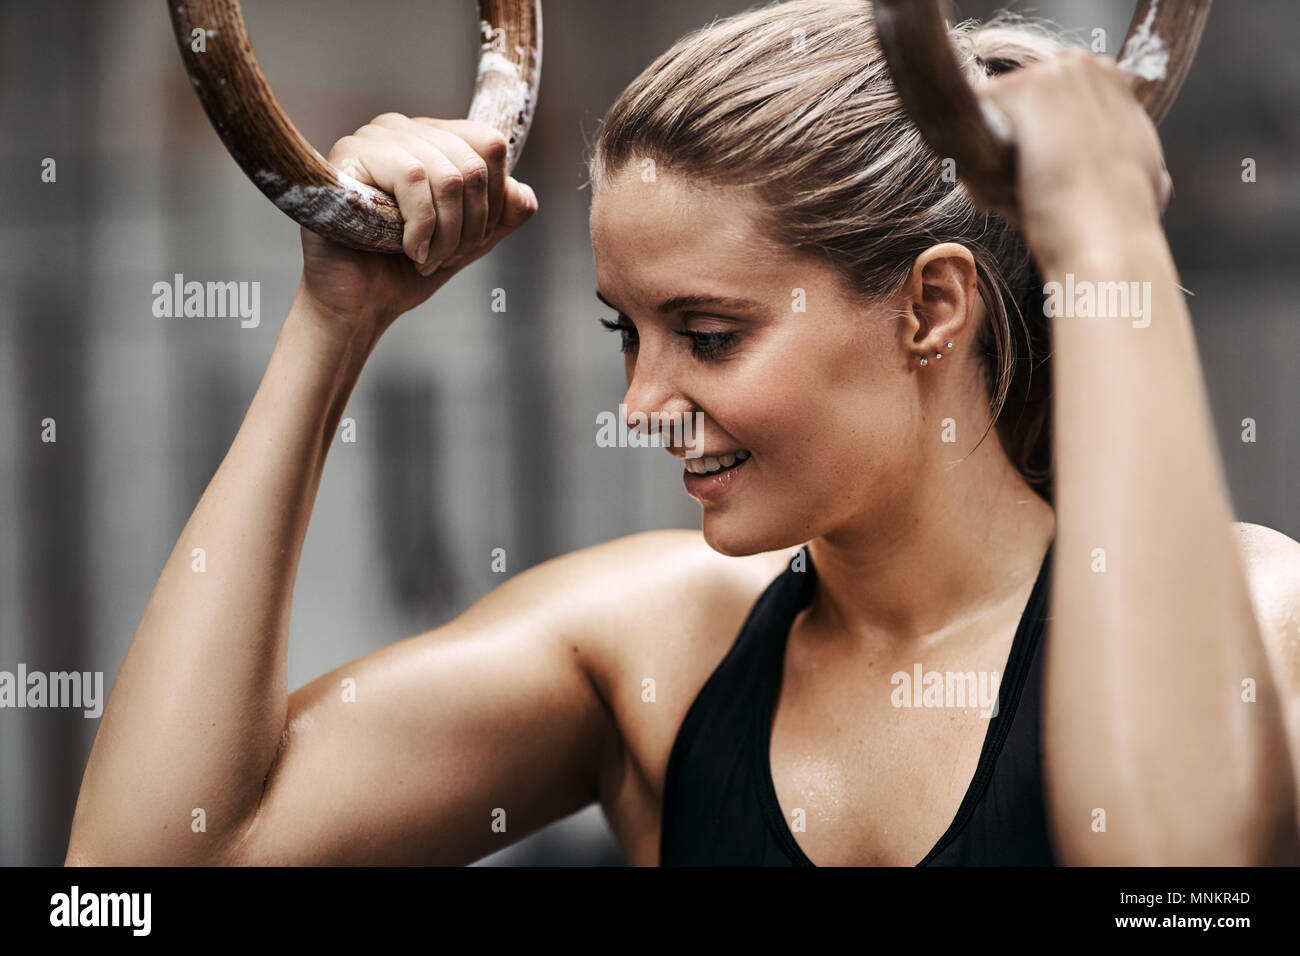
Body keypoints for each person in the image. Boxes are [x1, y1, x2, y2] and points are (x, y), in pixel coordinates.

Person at [66, 0, 1300, 866]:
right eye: (625, 332)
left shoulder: (1261, 615)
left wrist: (1107, 243)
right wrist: (332, 320)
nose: (640, 405)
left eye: (707, 335)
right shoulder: (652, 649)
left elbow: (1176, 873)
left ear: (931, 309)